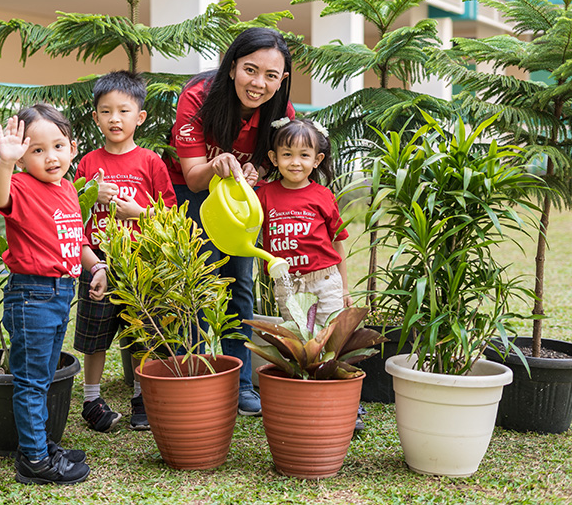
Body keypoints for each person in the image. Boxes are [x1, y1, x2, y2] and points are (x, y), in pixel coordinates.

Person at [168, 27, 296, 416]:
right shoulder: (198, 96)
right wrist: (217, 164)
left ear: (282, 80)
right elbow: (193, 178)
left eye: (270, 75)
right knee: (194, 280)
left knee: (239, 283)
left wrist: (257, 171)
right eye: (250, 70)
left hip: (237, 195)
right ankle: (191, 374)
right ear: (232, 66)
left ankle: (240, 383)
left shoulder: (282, 113)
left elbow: (273, 162)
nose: (258, 84)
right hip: (191, 191)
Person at [0, 104, 107, 485]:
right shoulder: (21, 186)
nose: (50, 157)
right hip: (32, 296)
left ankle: (38, 444)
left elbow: (77, 240)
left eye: (57, 146)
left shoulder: (68, 189)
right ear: (23, 157)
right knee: (32, 381)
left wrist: (97, 267)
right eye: (37, 150)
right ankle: (35, 460)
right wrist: (5, 162)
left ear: (73, 147)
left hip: (59, 294)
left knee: (43, 376)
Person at [74, 71, 177, 433]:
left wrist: (138, 212)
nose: (114, 119)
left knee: (143, 331)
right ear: (95, 117)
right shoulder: (88, 163)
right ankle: (91, 399)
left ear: (140, 117)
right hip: (99, 261)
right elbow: (73, 216)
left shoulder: (151, 162)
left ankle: (141, 397)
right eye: (106, 111)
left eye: (123, 111)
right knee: (95, 335)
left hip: (141, 262)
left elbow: (170, 217)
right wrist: (91, 194)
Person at [256, 117, 365, 431]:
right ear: (274, 158)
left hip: (325, 280)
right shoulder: (264, 195)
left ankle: (346, 405)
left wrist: (344, 288)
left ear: (317, 160)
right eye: (287, 154)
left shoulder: (323, 196)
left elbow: (337, 244)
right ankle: (304, 401)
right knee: (298, 341)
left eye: (304, 155)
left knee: (332, 340)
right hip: (287, 284)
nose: (295, 162)